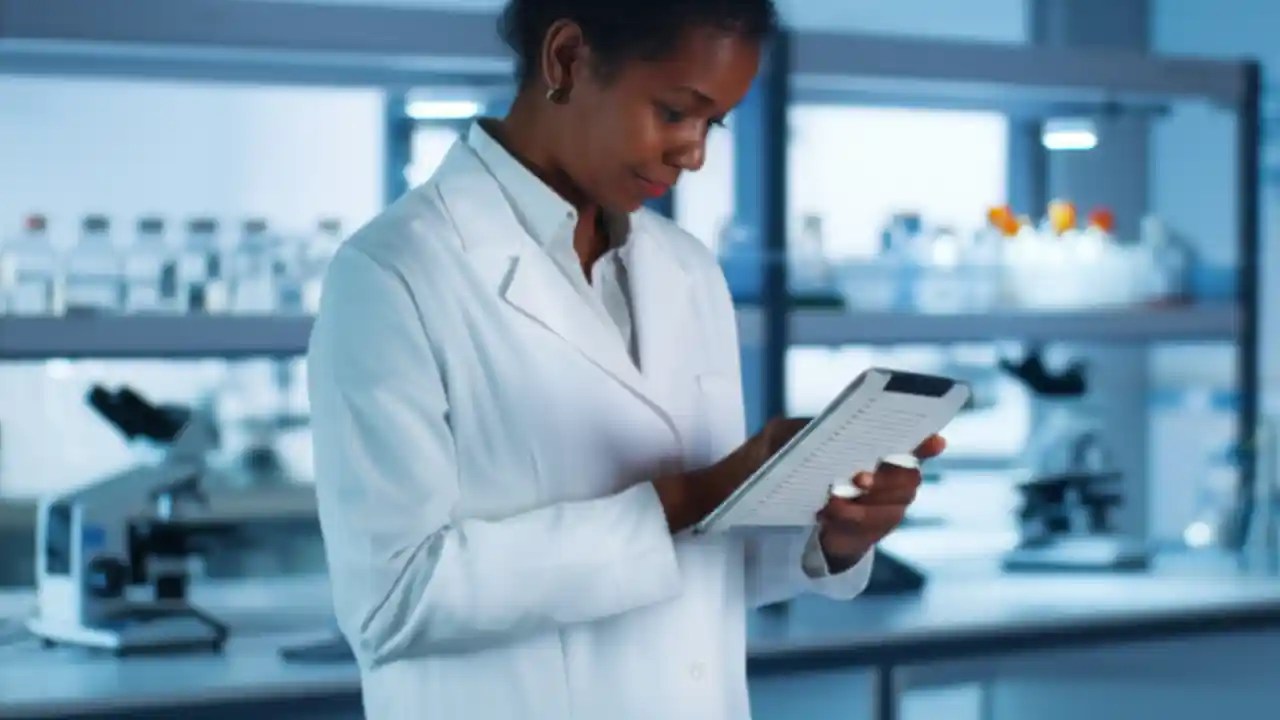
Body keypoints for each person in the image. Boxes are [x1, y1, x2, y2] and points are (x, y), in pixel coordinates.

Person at [306, 1, 946, 718]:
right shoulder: (394, 272)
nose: (695, 153)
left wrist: (826, 531)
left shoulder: (688, 270)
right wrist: (693, 494)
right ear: (568, 60)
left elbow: (707, 575)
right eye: (675, 111)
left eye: (714, 123)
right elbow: (392, 602)